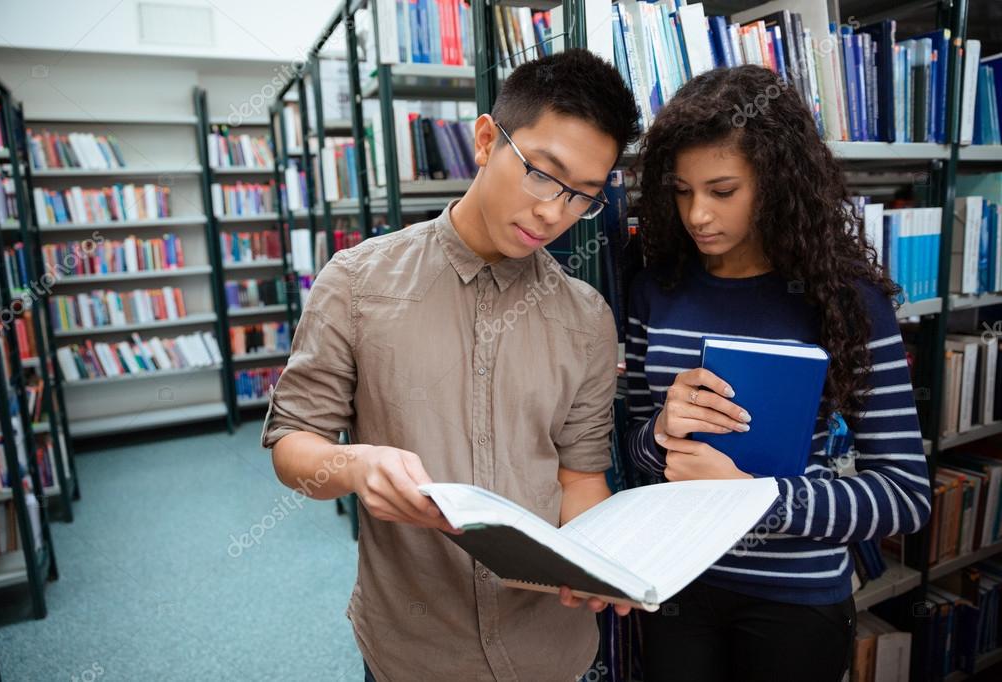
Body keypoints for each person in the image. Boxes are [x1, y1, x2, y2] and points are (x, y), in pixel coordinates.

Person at [261, 48, 640, 682]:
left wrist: (599, 561)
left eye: (582, 197)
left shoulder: (587, 318)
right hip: (413, 650)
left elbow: (580, 480)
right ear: (487, 140)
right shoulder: (357, 284)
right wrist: (356, 465)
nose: (554, 211)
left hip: (550, 647)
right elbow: (291, 448)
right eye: (543, 174)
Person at [623, 64, 931, 682]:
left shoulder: (843, 299)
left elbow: (904, 496)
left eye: (722, 190)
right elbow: (633, 452)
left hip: (795, 599)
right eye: (682, 191)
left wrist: (752, 496)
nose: (697, 215)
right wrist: (659, 434)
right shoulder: (656, 287)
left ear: (777, 181)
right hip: (674, 579)